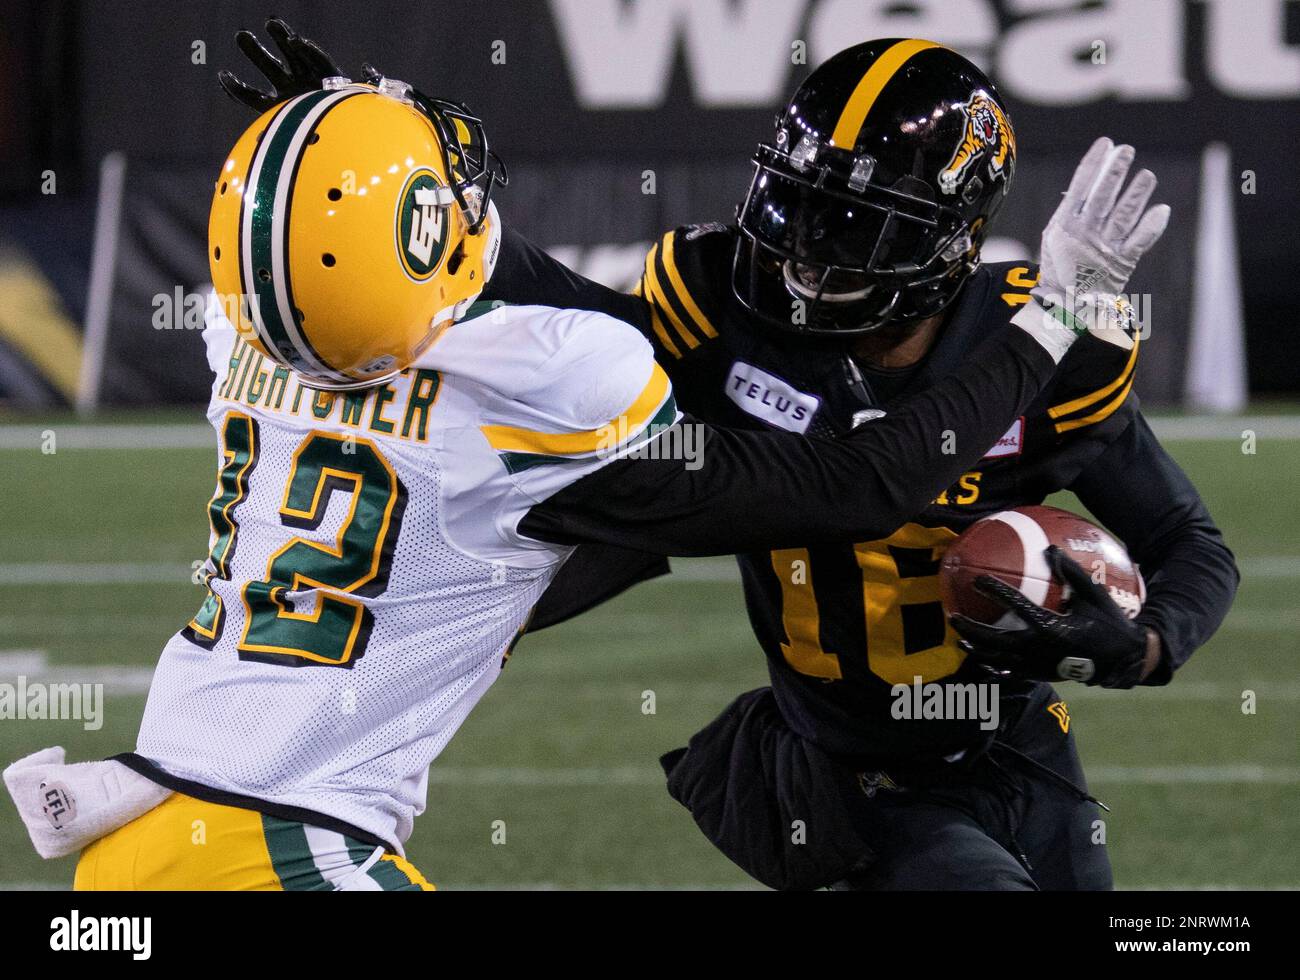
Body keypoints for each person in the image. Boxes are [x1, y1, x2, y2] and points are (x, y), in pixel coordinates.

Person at [4, 38, 1115, 891]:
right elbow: (861, 485)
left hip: (142, 834)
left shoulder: (238, 334)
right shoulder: (544, 380)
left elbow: (344, 267)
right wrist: (1053, 312)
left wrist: (349, 140)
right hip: (291, 845)